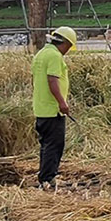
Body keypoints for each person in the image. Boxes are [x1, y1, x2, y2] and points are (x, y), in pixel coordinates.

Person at [32, 25, 75, 190]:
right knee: (54, 145)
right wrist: (62, 103)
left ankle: (45, 176)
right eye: (69, 47)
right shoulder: (54, 56)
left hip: (41, 108)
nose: (68, 51)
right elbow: (52, 80)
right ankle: (47, 179)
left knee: (46, 144)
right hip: (52, 110)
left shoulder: (41, 54)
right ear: (64, 43)